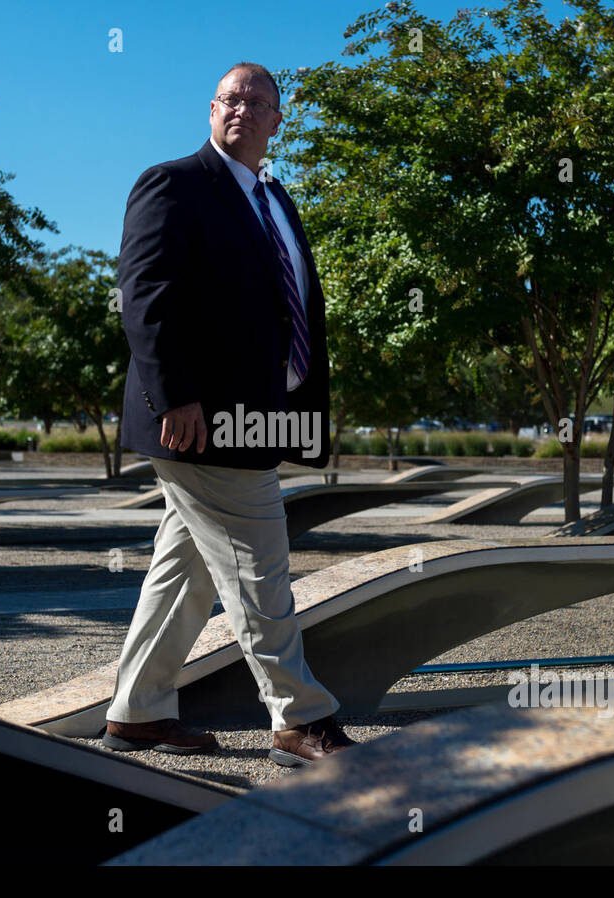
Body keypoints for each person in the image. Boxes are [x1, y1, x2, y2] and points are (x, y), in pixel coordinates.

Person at [103, 62, 356, 767]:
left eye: (257, 100)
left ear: (278, 121)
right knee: (257, 564)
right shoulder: (175, 184)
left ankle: (139, 712)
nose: (241, 107)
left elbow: (288, 306)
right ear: (211, 111)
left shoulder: (274, 197)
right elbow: (143, 294)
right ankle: (299, 718)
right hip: (199, 419)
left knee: (182, 571)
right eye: (229, 97)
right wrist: (174, 395)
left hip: (261, 414)